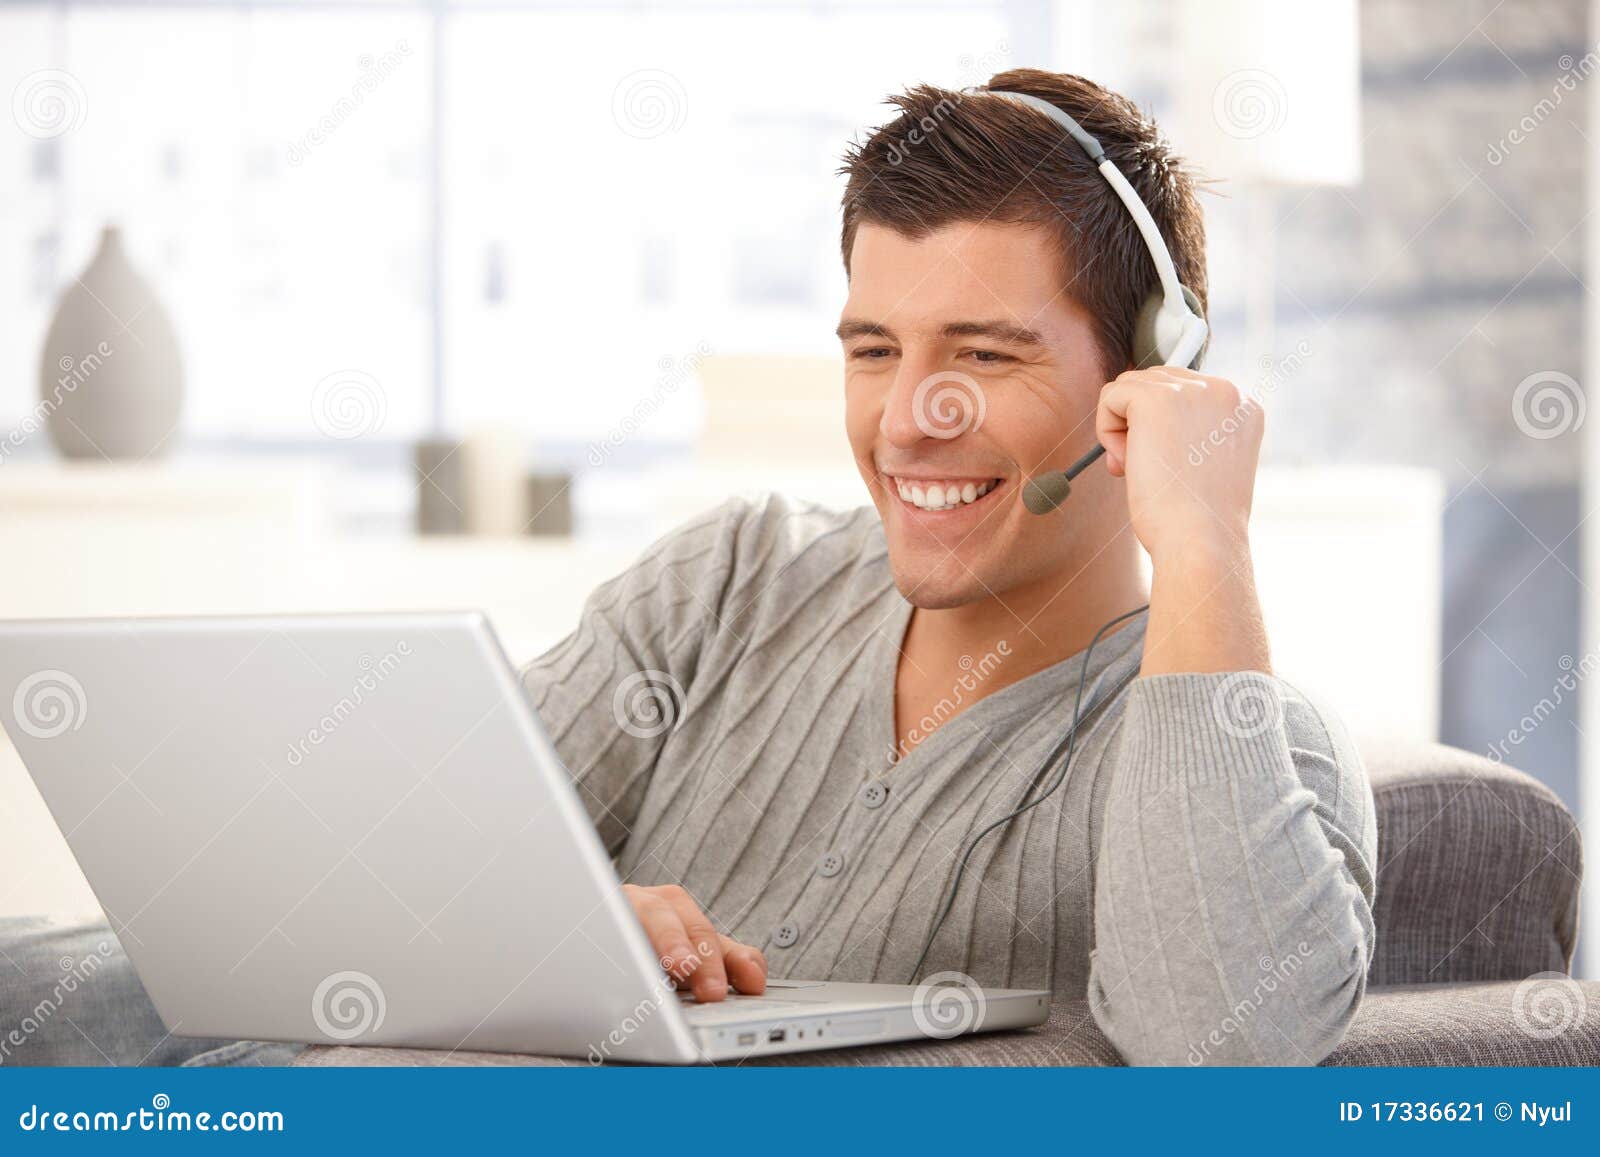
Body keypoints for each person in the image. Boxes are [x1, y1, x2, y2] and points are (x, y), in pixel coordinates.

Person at [1, 68, 1374, 1067]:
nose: (908, 419)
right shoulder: (732, 582)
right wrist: (578, 916)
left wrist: (1202, 534)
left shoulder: (1257, 745)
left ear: (1153, 371)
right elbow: (391, 867)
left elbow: (1226, 1058)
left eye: (985, 353)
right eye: (874, 350)